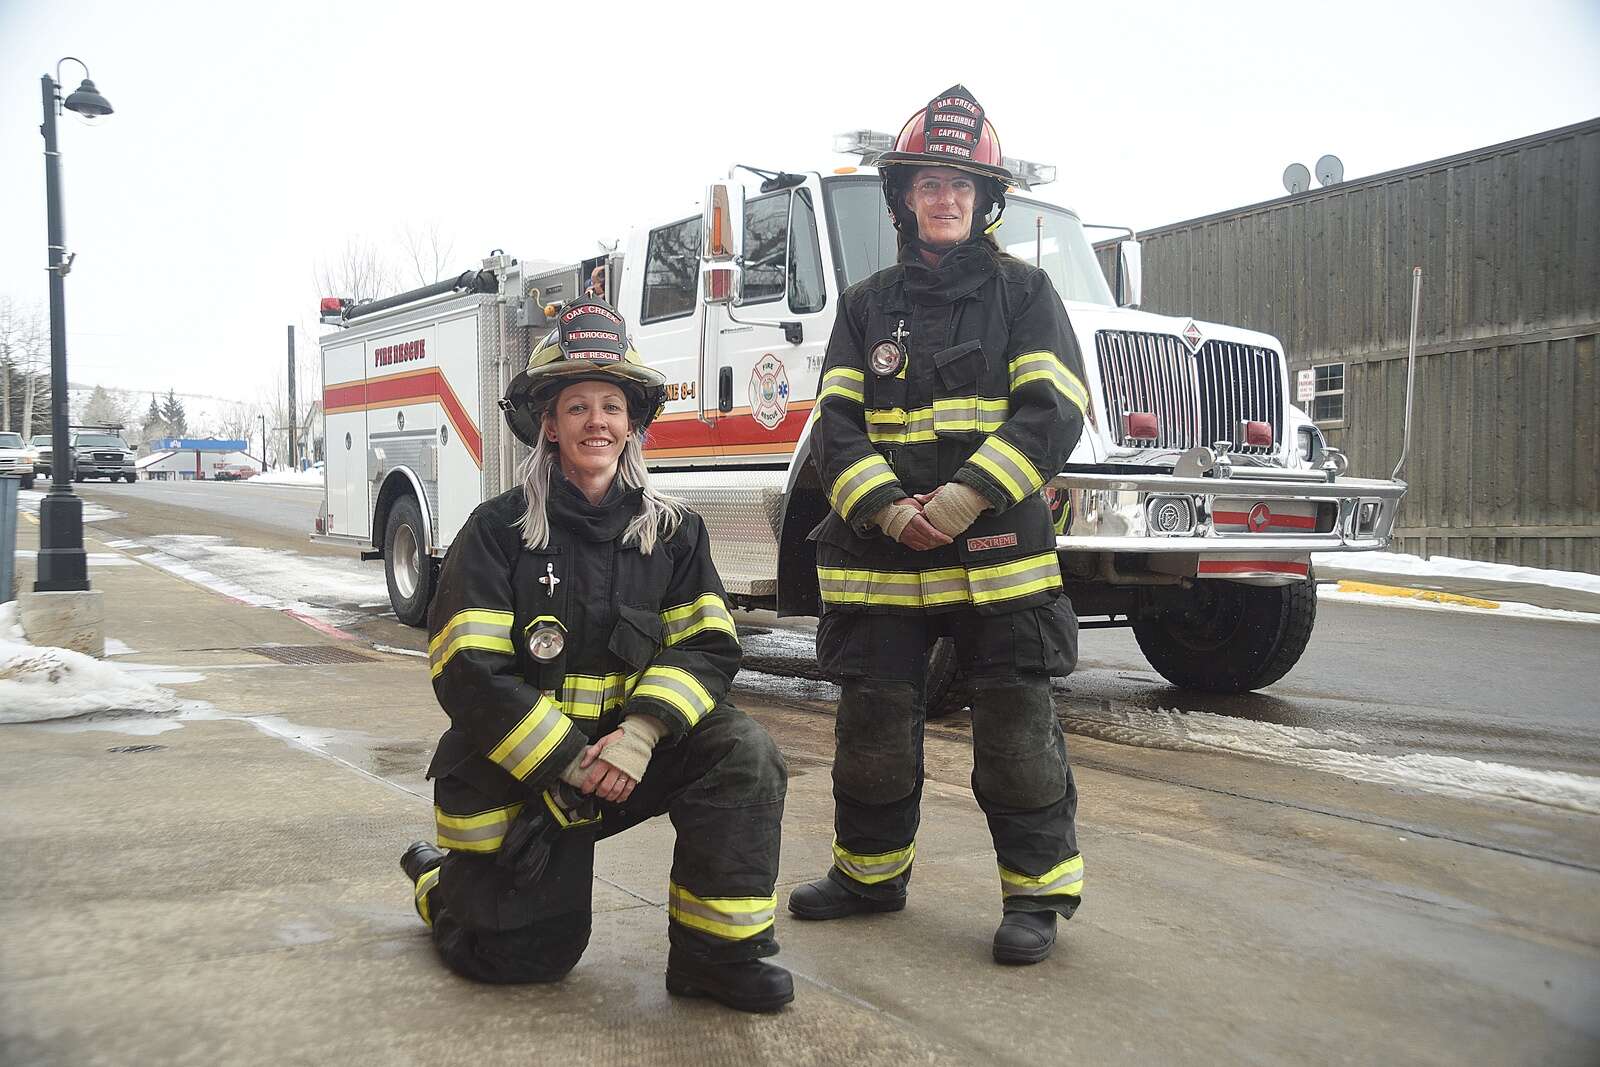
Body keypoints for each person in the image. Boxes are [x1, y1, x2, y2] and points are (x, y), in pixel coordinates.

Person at [400, 298, 793, 1012]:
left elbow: (707, 645)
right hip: (524, 771)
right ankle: (441, 884)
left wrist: (641, 734)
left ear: (634, 422)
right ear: (548, 425)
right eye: (576, 406)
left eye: (612, 405)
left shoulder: (674, 532)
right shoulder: (497, 532)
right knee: (521, 961)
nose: (596, 422)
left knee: (744, 751)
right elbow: (469, 672)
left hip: (625, 763)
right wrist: (568, 758)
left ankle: (717, 955)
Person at [787, 85, 1091, 965]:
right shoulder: (864, 305)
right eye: (929, 183)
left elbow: (1052, 410)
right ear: (904, 198)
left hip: (996, 556)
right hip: (882, 554)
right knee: (874, 724)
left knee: (1015, 728)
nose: (946, 198)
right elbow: (836, 425)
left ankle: (1036, 896)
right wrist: (885, 506)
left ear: (986, 200)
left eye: (962, 184)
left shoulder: (1026, 295)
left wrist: (960, 500)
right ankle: (869, 876)